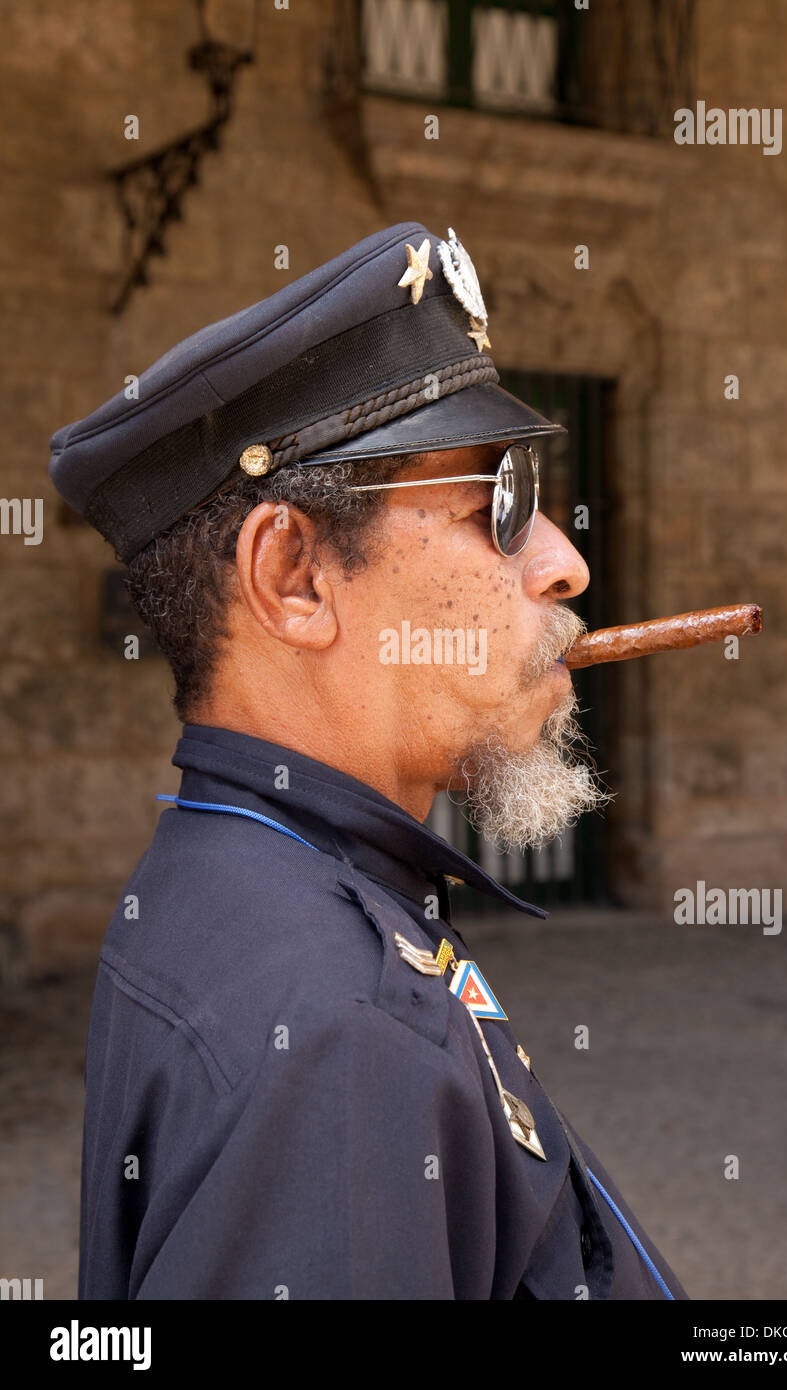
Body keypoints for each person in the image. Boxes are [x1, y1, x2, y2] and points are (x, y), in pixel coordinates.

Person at [50, 222, 688, 1300]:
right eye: (497, 504)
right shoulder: (339, 1034)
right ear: (294, 575)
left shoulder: (230, 876)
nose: (566, 564)